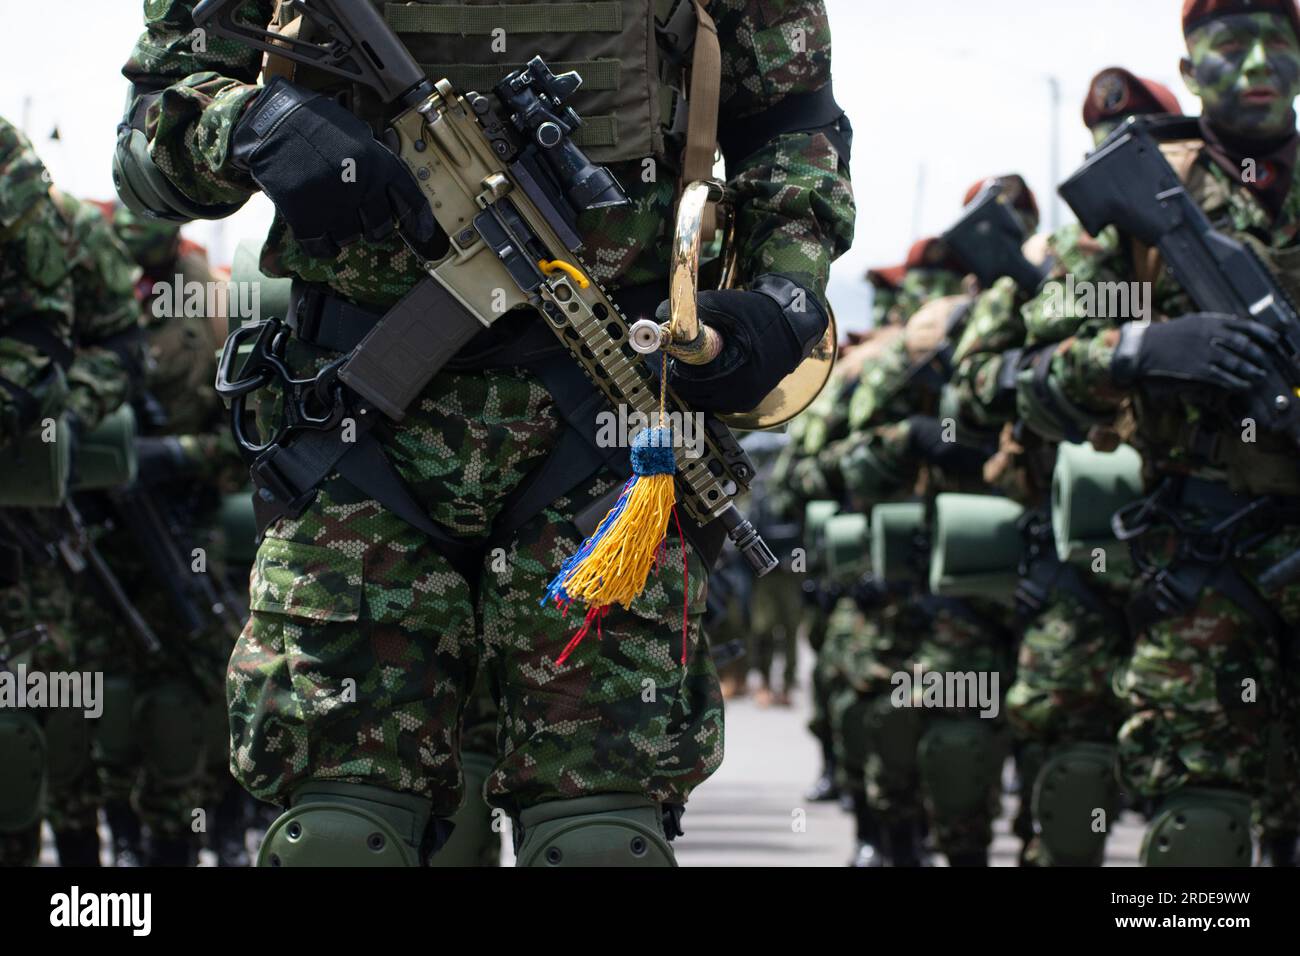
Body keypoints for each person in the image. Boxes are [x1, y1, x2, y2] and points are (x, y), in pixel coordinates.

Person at [116, 0, 854, 866]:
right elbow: (149, 135)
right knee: (340, 841)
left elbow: (793, 125)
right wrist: (253, 125)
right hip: (359, 434)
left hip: (607, 441)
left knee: (599, 842)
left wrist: (784, 297)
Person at [1017, 0, 1300, 866]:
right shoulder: (1146, 204)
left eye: (1278, 42)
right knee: (1200, 837)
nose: (1256, 61)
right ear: (1187, 72)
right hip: (1210, 569)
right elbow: (1033, 383)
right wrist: (1143, 346)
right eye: (1229, 45)